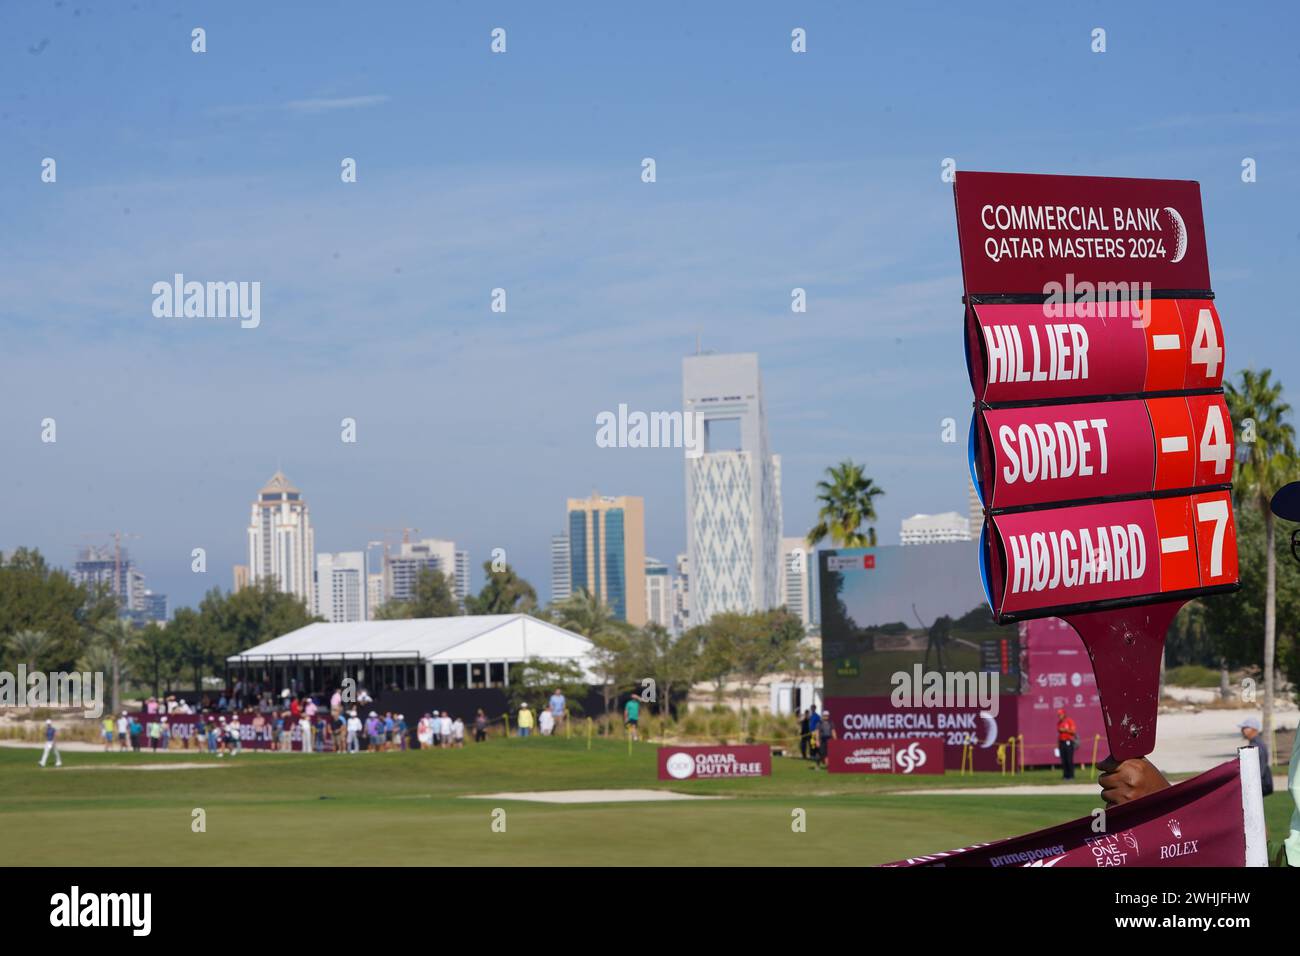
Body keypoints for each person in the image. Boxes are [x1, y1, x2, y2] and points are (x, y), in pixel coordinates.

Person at [1238, 717, 1273, 796]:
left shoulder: (1255, 746)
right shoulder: (1258, 743)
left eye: (1245, 728)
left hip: (1256, 785)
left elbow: (1258, 769)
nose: (1242, 730)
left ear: (1253, 729)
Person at [1057, 708, 1078, 780]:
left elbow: (1073, 732)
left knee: (1069, 759)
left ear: (1064, 714)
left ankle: (1071, 775)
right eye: (1058, 714)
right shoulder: (1059, 723)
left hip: (1069, 742)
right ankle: (1065, 776)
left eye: (1060, 714)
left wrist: (1065, 730)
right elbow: (1059, 732)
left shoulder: (1069, 721)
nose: (1059, 716)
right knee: (1063, 760)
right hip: (1062, 743)